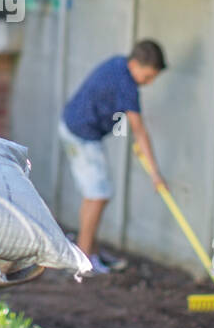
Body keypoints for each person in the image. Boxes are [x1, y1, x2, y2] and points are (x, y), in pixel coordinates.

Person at [59, 39, 168, 274]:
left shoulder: (119, 64)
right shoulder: (127, 85)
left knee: (97, 194)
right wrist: (155, 173)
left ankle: (90, 251)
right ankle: (84, 260)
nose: (148, 83)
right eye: (147, 77)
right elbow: (139, 129)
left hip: (78, 128)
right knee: (97, 195)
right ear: (136, 64)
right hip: (81, 134)